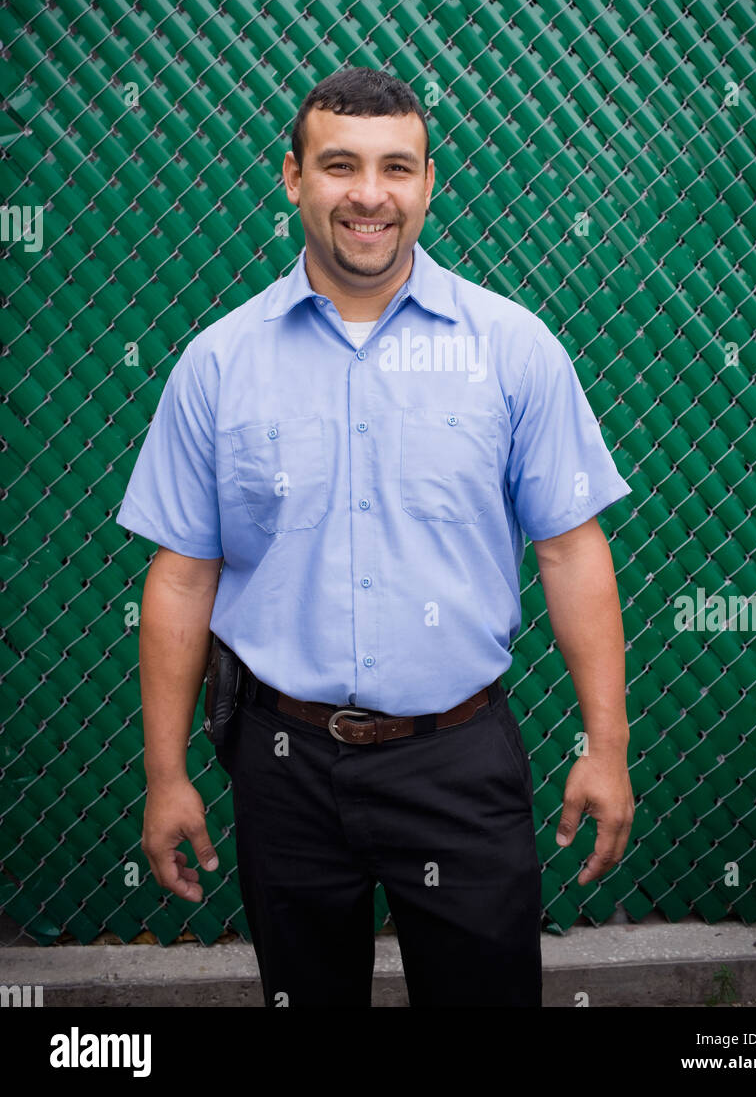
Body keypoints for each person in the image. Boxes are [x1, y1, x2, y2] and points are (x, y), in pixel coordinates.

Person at [116, 65, 635, 1008]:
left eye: (397, 168)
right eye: (340, 165)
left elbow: (570, 549)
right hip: (284, 766)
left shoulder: (512, 351)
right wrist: (166, 775)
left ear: (429, 183)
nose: (369, 194)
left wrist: (607, 747)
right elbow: (183, 577)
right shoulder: (218, 363)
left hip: (458, 759)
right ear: (293, 178)